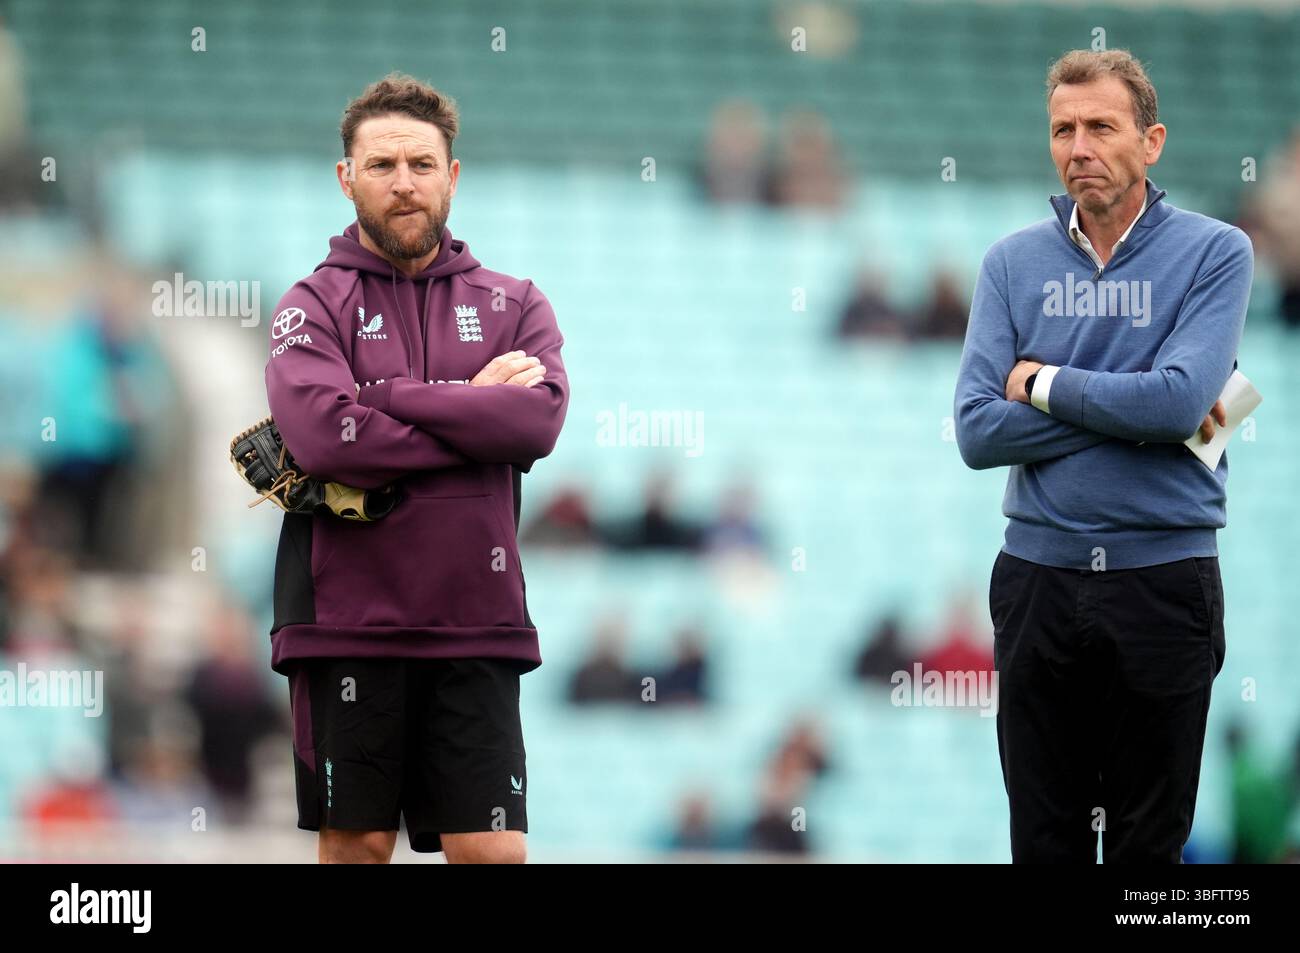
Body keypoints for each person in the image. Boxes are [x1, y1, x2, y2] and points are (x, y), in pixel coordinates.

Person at [954, 50, 1252, 863]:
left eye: (1100, 127)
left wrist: (1043, 381)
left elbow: (1183, 404)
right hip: (1037, 582)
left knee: (1145, 853)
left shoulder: (1217, 252)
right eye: (1062, 129)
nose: (1078, 146)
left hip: (1164, 583)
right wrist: (1144, 405)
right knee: (1043, 844)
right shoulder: (1010, 263)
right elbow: (979, 431)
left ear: (1151, 141)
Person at [263, 74, 569, 863]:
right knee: (360, 845)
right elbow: (329, 441)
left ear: (453, 175)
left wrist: (392, 397)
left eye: (422, 164)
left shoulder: (516, 303)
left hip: (477, 617)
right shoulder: (310, 305)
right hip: (347, 621)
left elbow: (534, 424)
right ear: (347, 177)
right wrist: (473, 411)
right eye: (382, 165)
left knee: (493, 852)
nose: (404, 183)